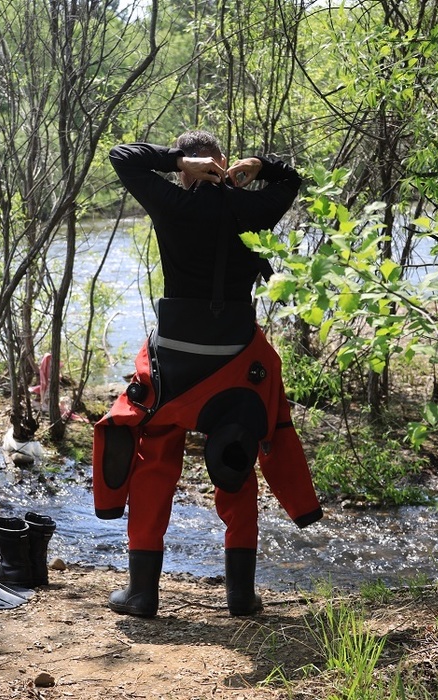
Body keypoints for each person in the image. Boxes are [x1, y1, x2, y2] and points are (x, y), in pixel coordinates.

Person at [92, 130, 323, 618]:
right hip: (237, 363)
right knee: (235, 460)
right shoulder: (254, 210)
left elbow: (122, 156)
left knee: (154, 458)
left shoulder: (171, 201)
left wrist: (177, 159)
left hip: (175, 361)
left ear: (188, 167)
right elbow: (294, 179)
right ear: (224, 163)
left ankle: (142, 593)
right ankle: (240, 595)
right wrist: (263, 165)